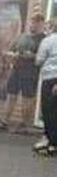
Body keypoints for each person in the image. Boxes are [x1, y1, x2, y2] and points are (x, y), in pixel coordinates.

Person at [0, 13, 47, 133]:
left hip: (31, 73)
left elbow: (43, 57)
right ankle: (4, 122)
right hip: (16, 70)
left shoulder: (44, 39)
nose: (34, 24)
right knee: (11, 96)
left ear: (42, 24)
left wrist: (32, 55)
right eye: (33, 21)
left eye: (37, 22)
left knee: (27, 99)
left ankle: (24, 125)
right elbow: (9, 51)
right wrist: (10, 55)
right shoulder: (21, 36)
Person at [34, 28, 57, 157]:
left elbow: (39, 60)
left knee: (49, 111)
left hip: (50, 78)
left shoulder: (48, 40)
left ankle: (52, 143)